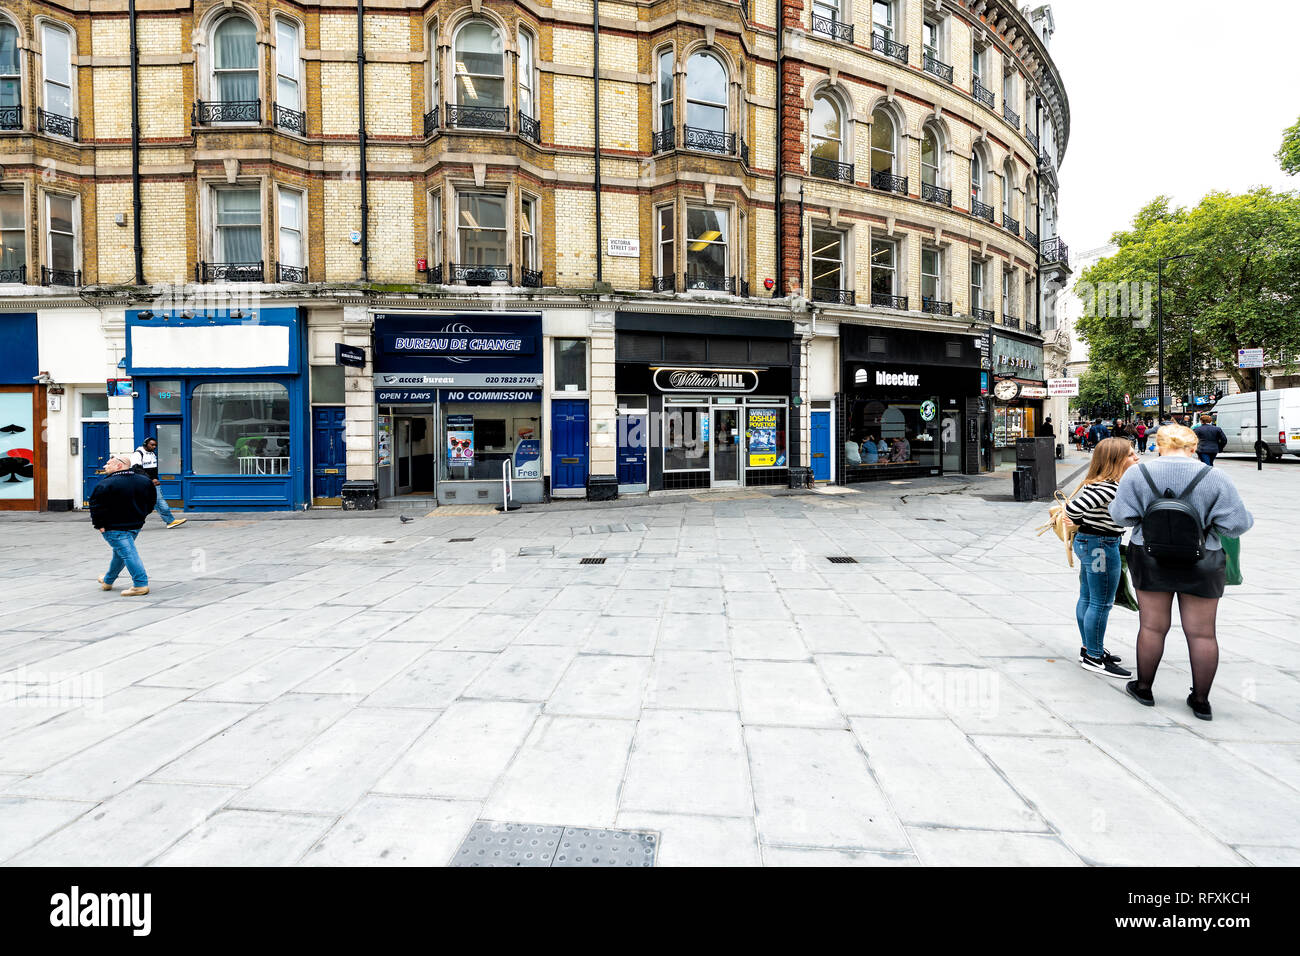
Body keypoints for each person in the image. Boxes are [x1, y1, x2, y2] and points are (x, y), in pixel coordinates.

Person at [1109, 424, 1255, 720]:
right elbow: (1237, 524)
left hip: (1150, 556)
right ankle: (1201, 701)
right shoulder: (1214, 476)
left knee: (1151, 627)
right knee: (1202, 634)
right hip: (1201, 560)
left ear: (1158, 445)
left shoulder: (1138, 474)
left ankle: (1144, 688)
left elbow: (1122, 516)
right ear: (1193, 448)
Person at [1065, 437, 1139, 679]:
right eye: (1130, 454)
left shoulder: (1097, 483)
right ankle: (1094, 657)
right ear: (1116, 460)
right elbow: (1073, 509)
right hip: (1101, 545)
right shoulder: (1109, 487)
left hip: (1091, 542)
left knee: (1088, 597)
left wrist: (1077, 519)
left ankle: (1089, 648)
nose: (1135, 457)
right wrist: (1074, 517)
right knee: (1101, 602)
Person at [90, 454, 158, 597]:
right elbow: (152, 501)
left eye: (108, 463)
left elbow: (96, 506)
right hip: (136, 524)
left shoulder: (105, 484)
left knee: (128, 554)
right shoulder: (144, 481)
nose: (105, 466)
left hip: (114, 527)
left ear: (119, 466)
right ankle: (108, 581)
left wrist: (99, 525)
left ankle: (140, 584)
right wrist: (142, 515)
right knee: (120, 553)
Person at [131, 437, 187, 529]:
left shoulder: (152, 454)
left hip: (153, 483)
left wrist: (156, 479)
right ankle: (130, 523)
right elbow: (137, 469)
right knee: (139, 503)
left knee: (159, 501)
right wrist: (150, 479)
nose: (154, 447)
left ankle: (170, 521)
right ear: (145, 444)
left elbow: (153, 470)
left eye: (155, 445)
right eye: (152, 445)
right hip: (141, 483)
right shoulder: (138, 454)